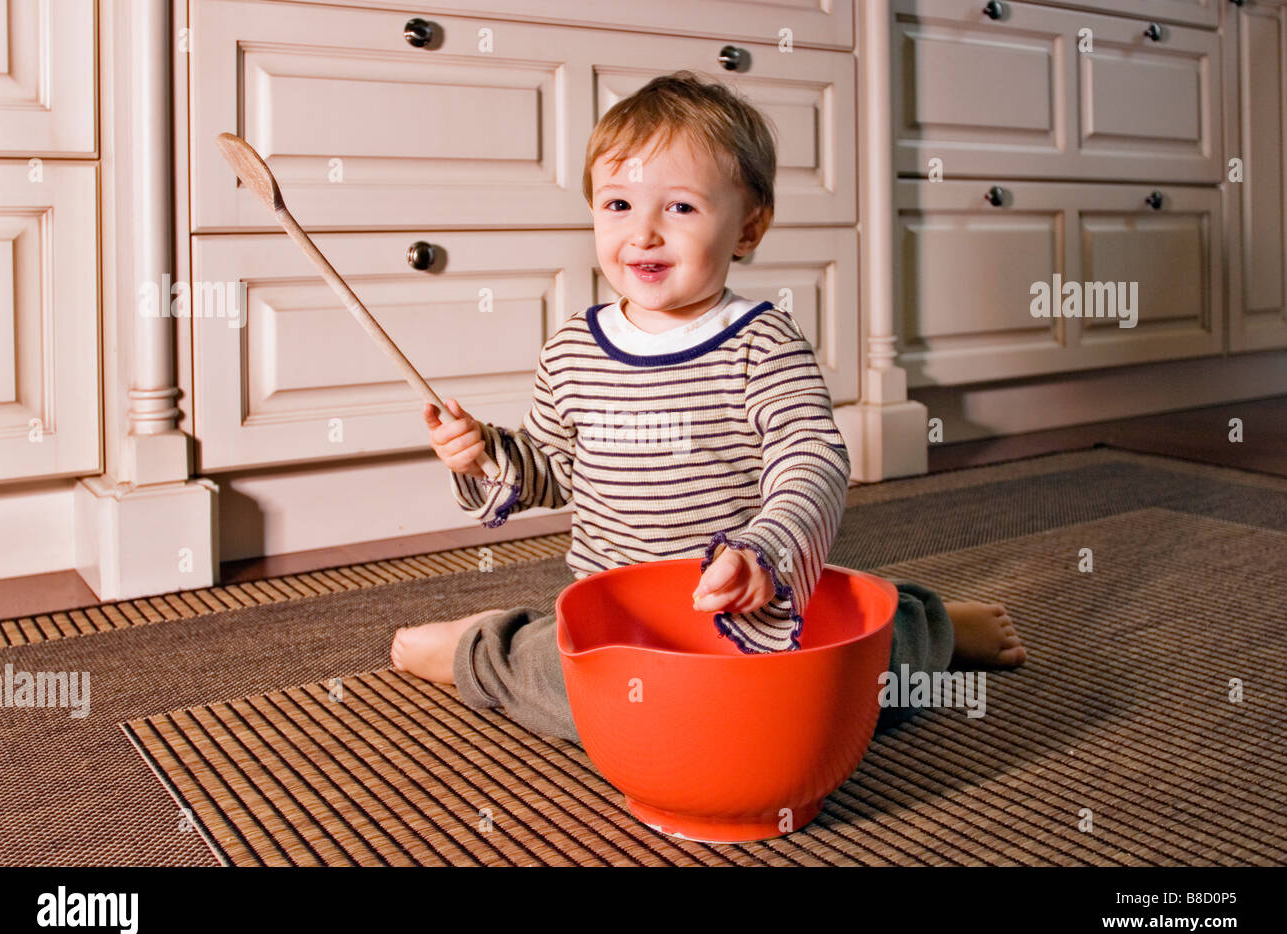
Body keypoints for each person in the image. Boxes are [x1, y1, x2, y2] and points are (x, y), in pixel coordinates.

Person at [393, 71, 1024, 742]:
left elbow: (812, 461)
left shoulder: (763, 344)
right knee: (582, 699)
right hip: (623, 626)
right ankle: (482, 648)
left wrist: (764, 553)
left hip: (745, 613)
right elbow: (553, 468)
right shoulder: (573, 347)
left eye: (681, 209)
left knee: (839, 695)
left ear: (748, 227)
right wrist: (486, 453)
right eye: (617, 205)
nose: (643, 235)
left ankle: (934, 629)